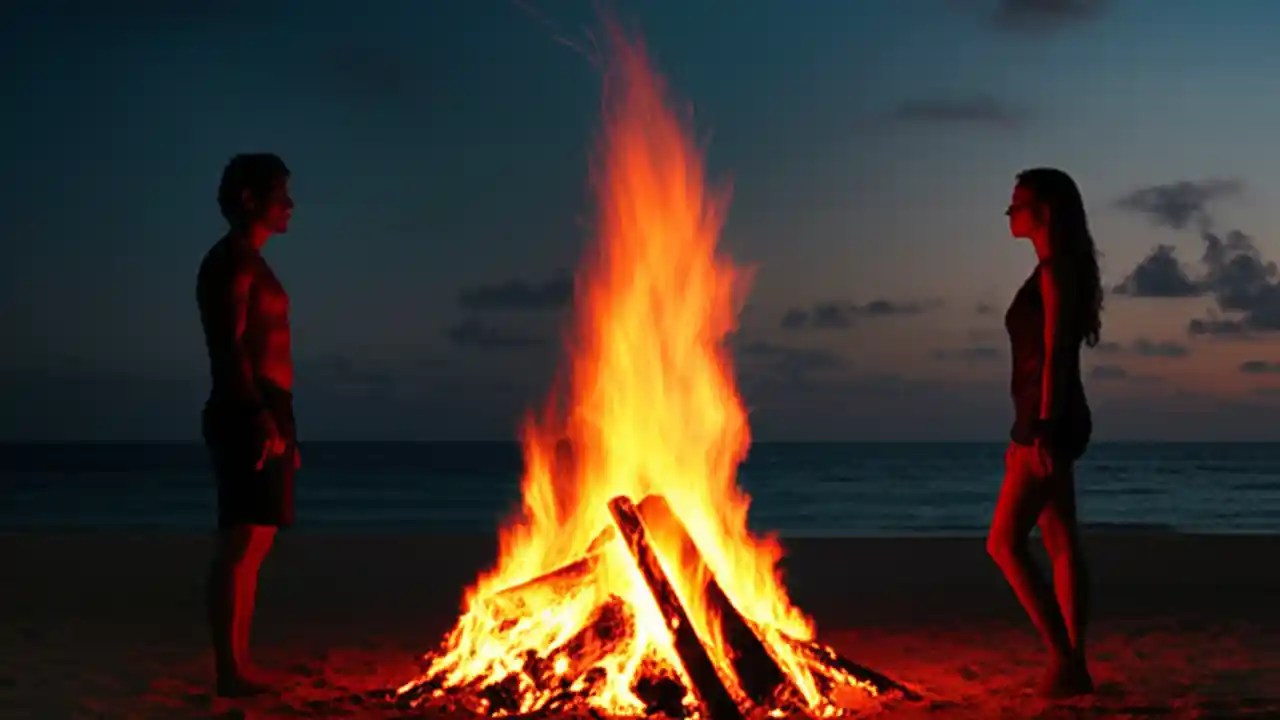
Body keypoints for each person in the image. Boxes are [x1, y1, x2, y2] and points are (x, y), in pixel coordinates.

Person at [987, 167, 1102, 698]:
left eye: (1017, 203)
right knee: (1058, 540)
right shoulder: (1056, 271)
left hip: (1046, 419)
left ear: (1045, 210)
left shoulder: (1055, 273)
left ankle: (1063, 659)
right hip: (1052, 417)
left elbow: (1056, 353)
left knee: (1004, 543)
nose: (1009, 213)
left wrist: (1041, 432)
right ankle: (1073, 661)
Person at [196, 153, 299, 697]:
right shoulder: (231, 261)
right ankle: (228, 669)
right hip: (246, 407)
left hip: (268, 406)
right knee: (240, 542)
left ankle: (238, 664)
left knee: (255, 545)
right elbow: (228, 344)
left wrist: (285, 423)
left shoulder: (253, 261)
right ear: (250, 199)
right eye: (281, 193)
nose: (290, 204)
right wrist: (257, 414)